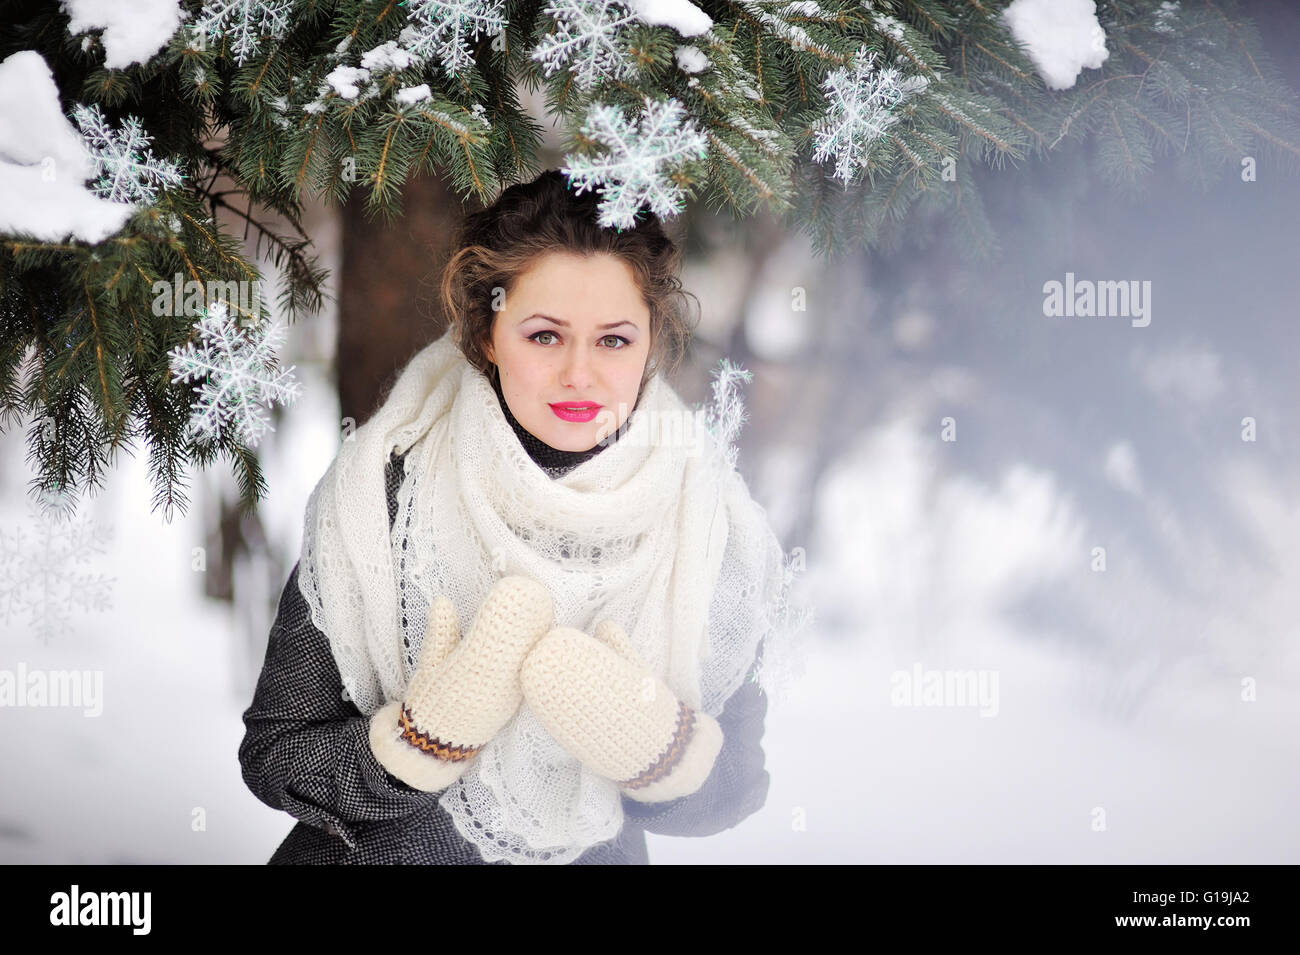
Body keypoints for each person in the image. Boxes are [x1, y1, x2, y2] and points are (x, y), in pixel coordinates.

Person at [238, 169, 798, 864]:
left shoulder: (704, 524)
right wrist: (414, 745)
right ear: (487, 333)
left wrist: (660, 748)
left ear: (651, 340)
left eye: (614, 340)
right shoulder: (381, 495)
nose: (579, 374)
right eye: (544, 336)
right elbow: (275, 753)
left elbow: (739, 785)